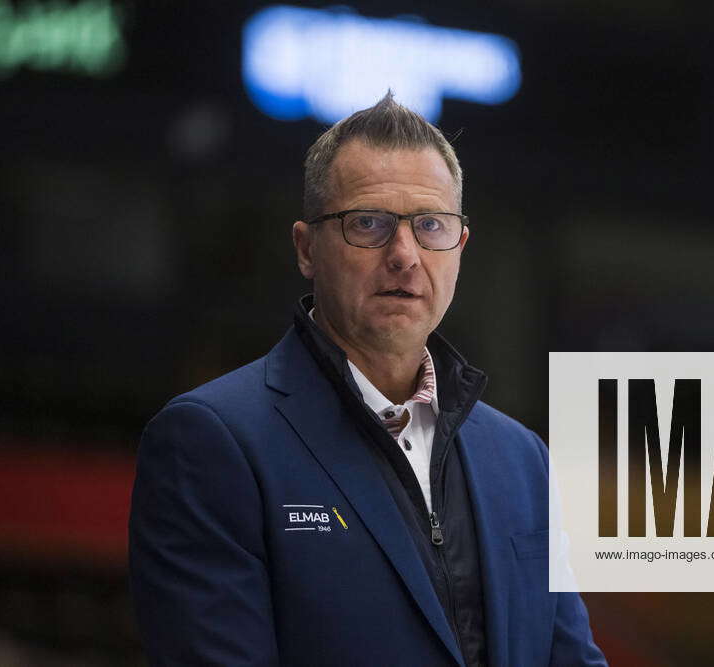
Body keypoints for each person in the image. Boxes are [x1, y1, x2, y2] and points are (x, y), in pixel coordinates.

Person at [128, 93, 606, 666]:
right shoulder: (211, 442)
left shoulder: (523, 459)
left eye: (430, 226)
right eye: (369, 224)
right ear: (307, 248)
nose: (404, 255)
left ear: (460, 247)